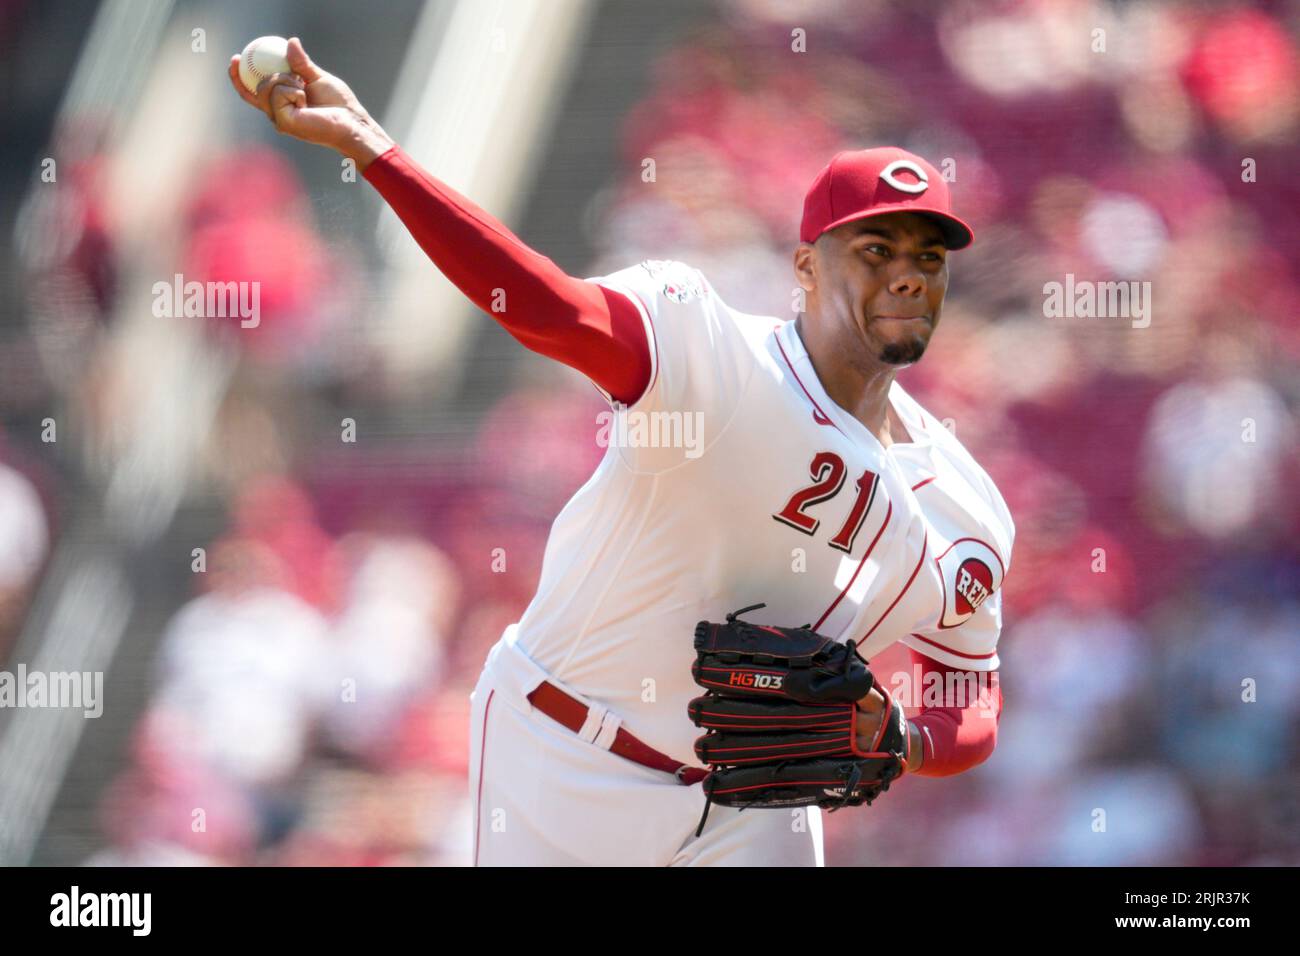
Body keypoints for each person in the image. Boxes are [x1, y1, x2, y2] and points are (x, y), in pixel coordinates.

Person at [228, 38, 1015, 867]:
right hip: (567, 749)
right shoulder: (709, 348)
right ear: (806, 267)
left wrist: (902, 737)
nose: (907, 276)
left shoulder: (966, 507)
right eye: (875, 250)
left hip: (757, 797)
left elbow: (971, 695)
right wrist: (375, 151)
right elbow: (544, 308)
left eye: (928, 259)